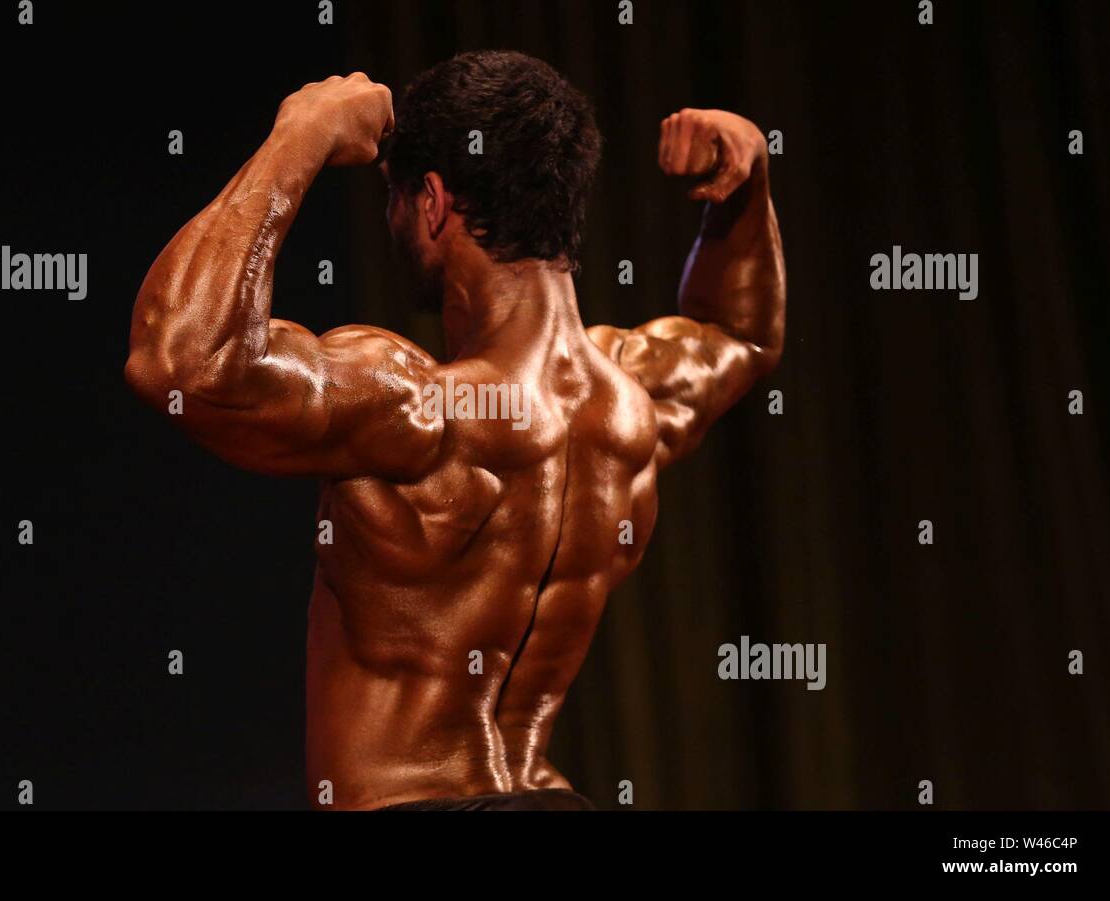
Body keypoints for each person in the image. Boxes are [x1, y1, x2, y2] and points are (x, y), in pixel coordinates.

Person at [124, 50, 785, 810]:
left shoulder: (414, 406)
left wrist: (295, 140)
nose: (394, 219)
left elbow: (176, 358)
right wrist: (748, 181)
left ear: (433, 202)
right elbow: (740, 333)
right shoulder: (634, 396)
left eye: (398, 201)